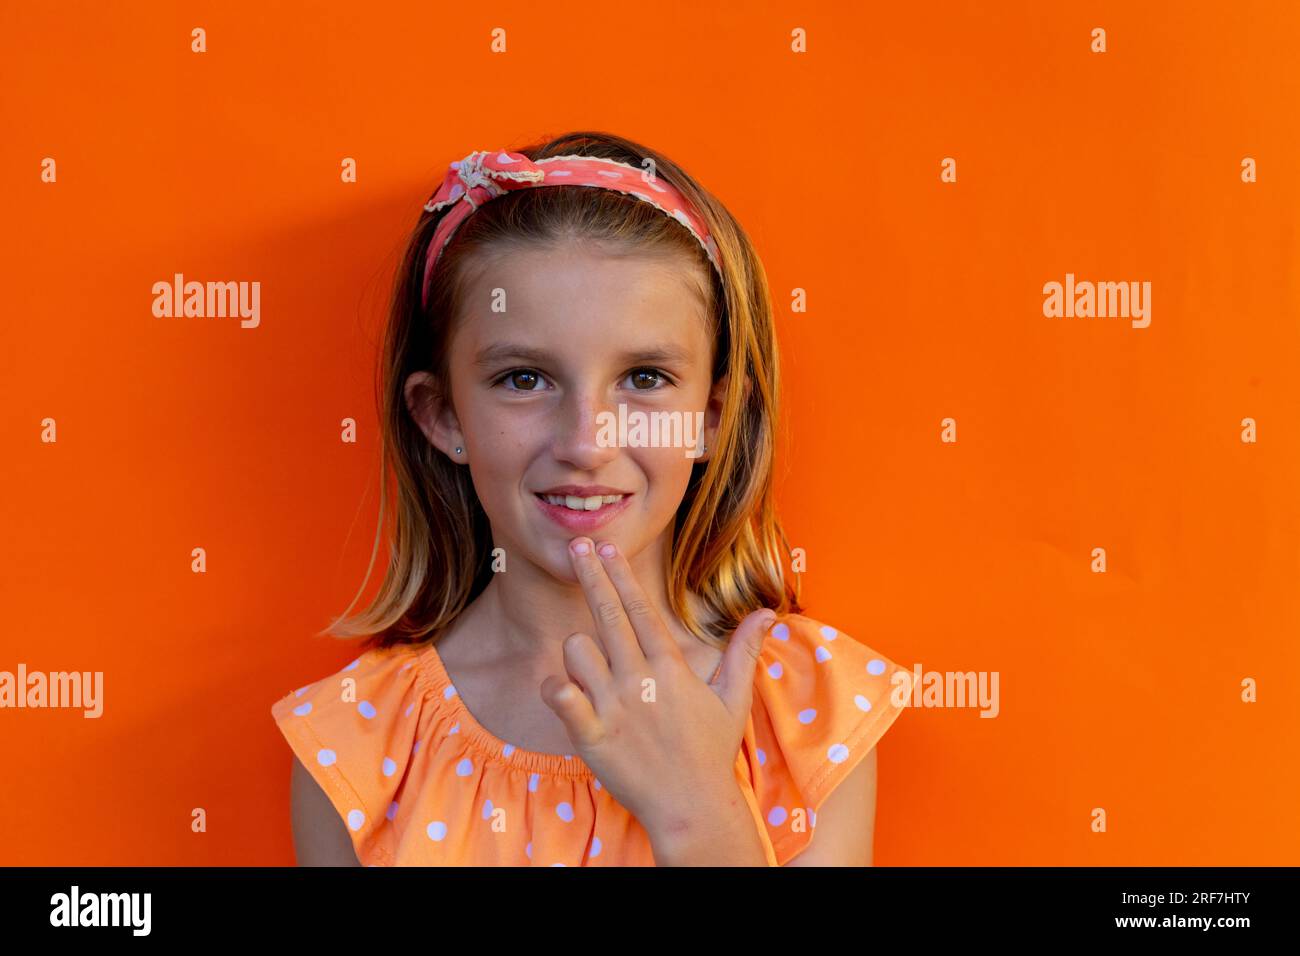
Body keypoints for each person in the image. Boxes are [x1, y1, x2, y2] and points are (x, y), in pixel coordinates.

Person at [271, 131, 914, 866]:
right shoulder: (358, 743)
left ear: (709, 418)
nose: (587, 441)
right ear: (443, 416)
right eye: (524, 378)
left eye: (643, 377)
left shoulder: (802, 707)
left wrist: (696, 812)